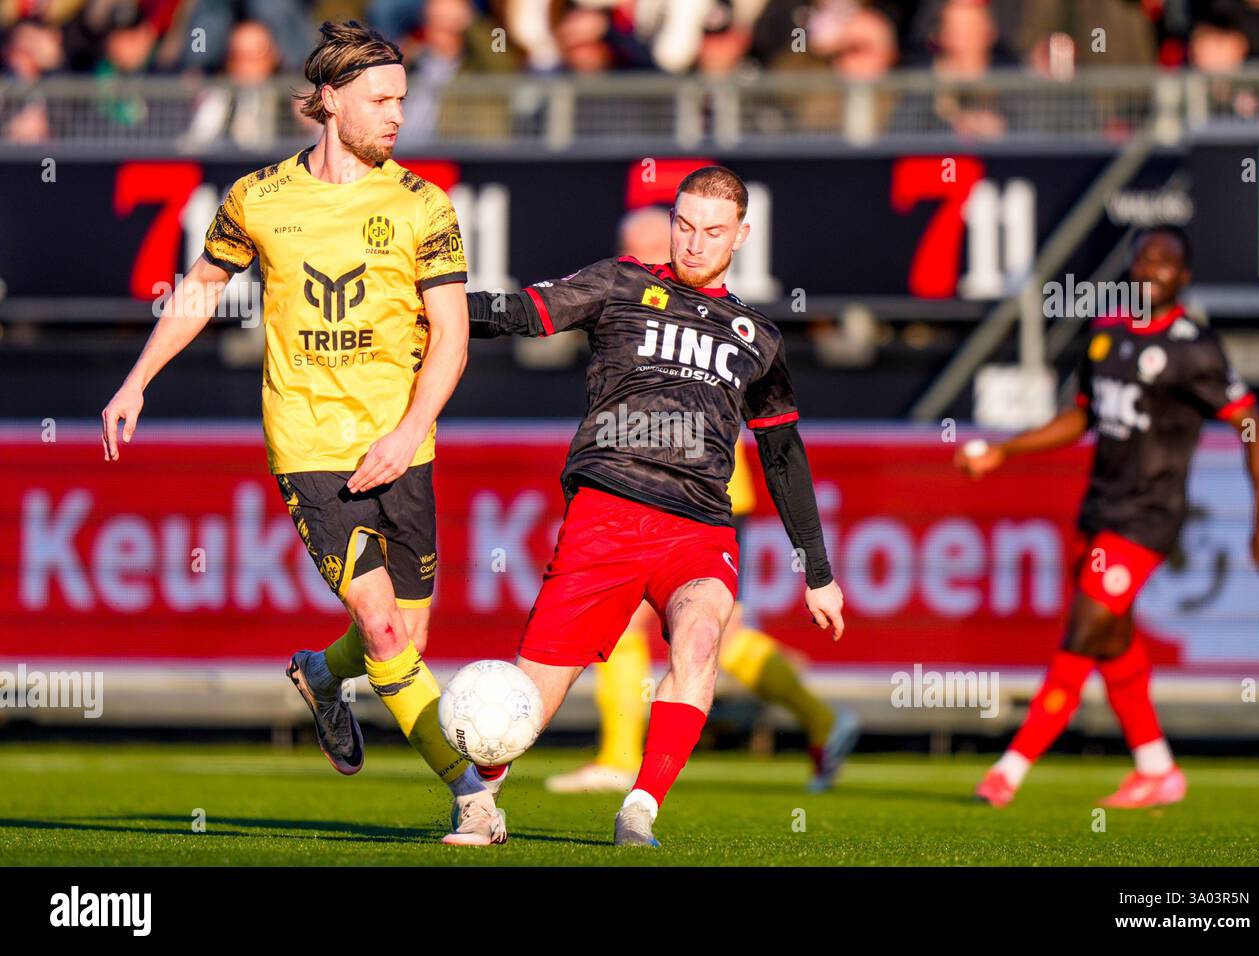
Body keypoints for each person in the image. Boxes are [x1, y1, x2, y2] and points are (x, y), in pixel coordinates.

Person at [100, 20, 506, 846]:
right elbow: (203, 285)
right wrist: (136, 381)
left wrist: (409, 431)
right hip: (311, 447)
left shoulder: (423, 204)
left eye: (401, 98)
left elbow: (453, 339)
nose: (398, 114)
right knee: (390, 633)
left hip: (404, 446)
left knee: (403, 641)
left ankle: (321, 675)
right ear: (329, 99)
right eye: (381, 99)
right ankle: (472, 795)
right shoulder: (258, 198)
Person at [466, 166, 846, 846]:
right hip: (606, 513)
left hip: (698, 527)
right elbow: (523, 313)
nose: (696, 244)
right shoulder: (620, 283)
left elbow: (783, 453)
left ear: (742, 235)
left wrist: (817, 570)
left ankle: (640, 805)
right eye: (686, 226)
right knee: (531, 693)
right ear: (673, 221)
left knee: (703, 635)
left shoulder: (758, 337)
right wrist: (434, 300)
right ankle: (480, 797)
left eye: (714, 232)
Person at [956, 226, 1259, 808]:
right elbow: (1080, 417)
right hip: (1099, 511)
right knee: (1113, 641)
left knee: (1084, 630)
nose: (1151, 267)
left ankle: (1009, 769)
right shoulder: (1105, 332)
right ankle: (1158, 769)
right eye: (1144, 257)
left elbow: (1251, 423)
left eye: (1166, 260)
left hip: (1148, 518)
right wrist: (1005, 450)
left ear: (1183, 278)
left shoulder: (1194, 347)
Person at [546, 205, 859, 796]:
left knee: (634, 617)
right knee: (718, 632)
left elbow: (776, 437)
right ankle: (821, 719)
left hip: (699, 487)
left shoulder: (719, 317)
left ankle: (618, 756)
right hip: (703, 482)